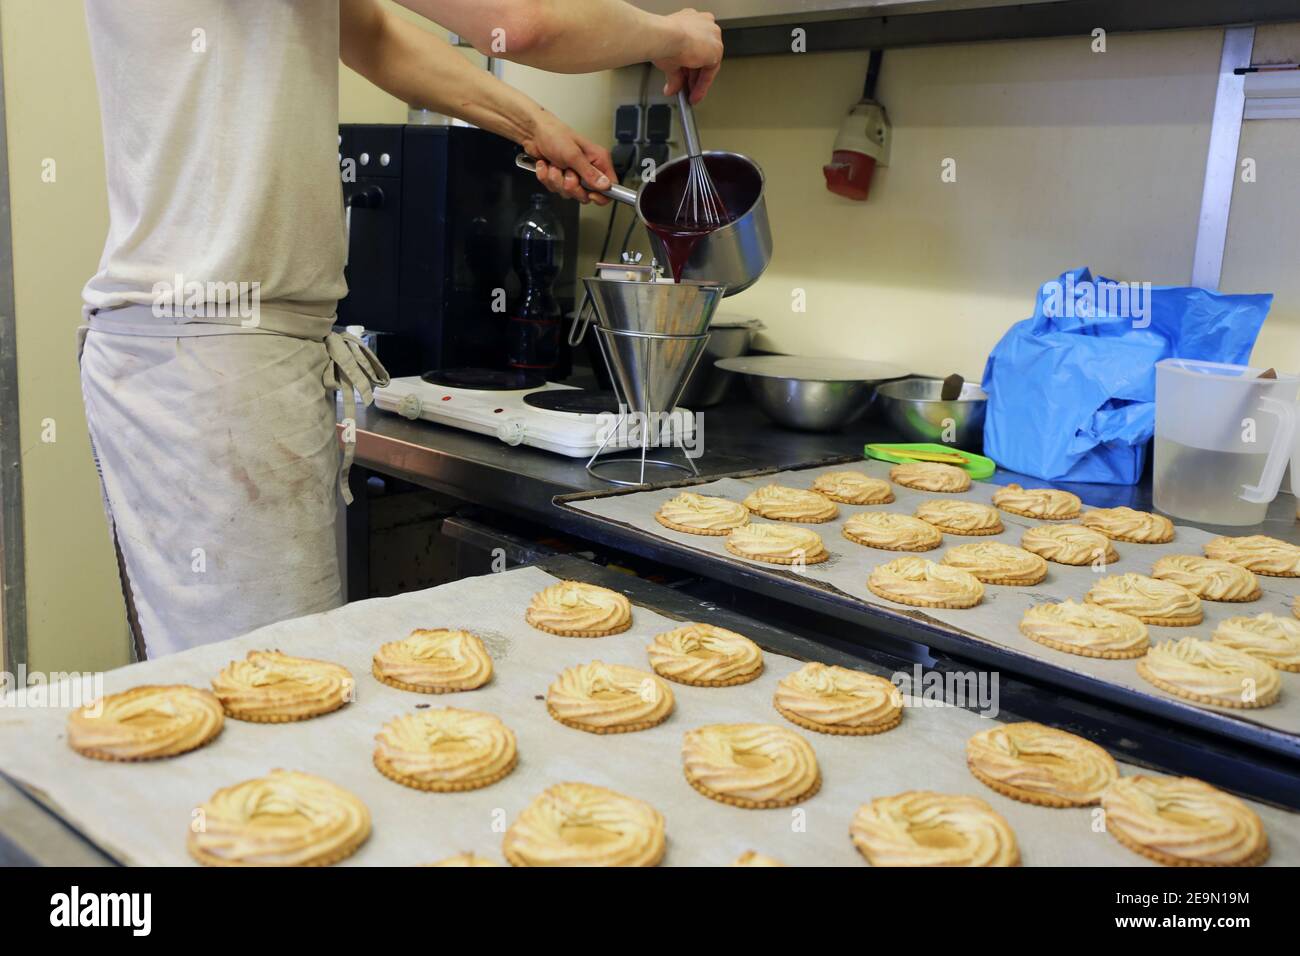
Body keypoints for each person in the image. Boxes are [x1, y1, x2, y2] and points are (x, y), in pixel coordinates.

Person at [79, 0, 723, 657]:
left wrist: (533, 126)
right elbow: (520, 21)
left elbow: (372, 33)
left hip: (212, 354)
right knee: (270, 704)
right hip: (215, 368)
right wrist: (670, 34)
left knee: (256, 693)